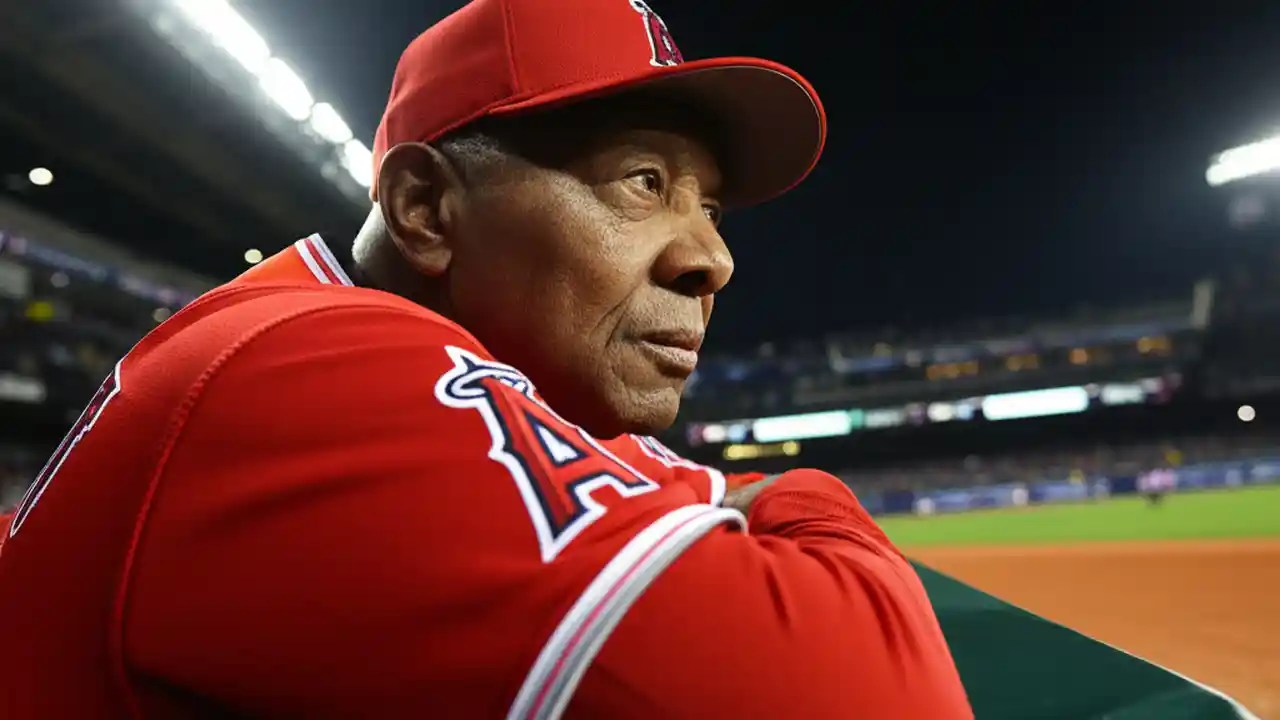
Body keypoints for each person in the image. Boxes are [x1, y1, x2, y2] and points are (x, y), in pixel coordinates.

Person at [0, 0, 972, 717]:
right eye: (642, 183)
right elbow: (878, 692)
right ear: (425, 207)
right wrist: (804, 495)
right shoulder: (318, 364)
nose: (710, 258)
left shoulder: (293, 331)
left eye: (707, 207)